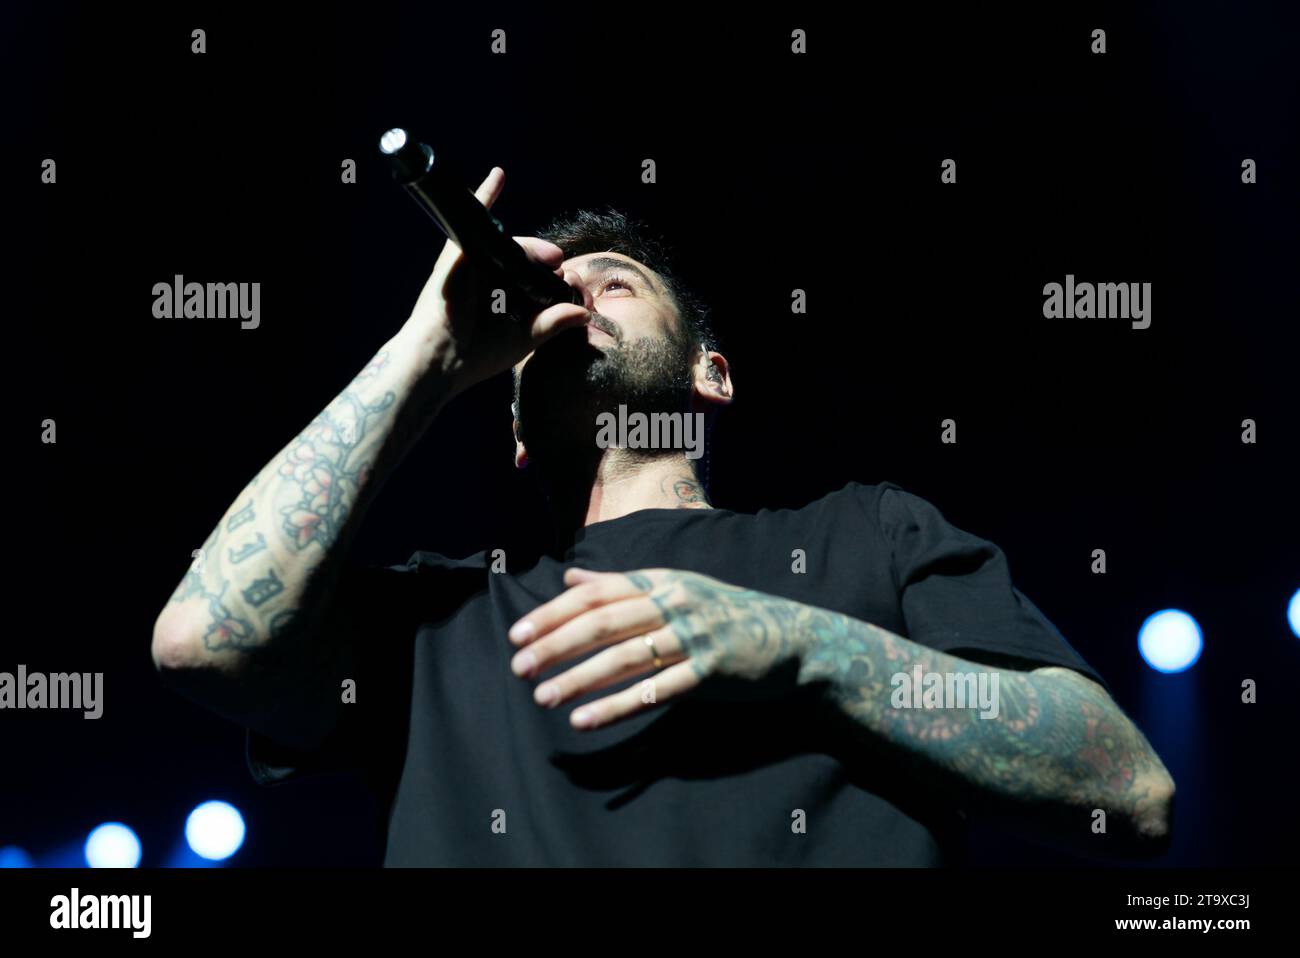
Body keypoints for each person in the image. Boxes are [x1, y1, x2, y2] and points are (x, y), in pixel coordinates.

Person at [151, 168, 1175, 866]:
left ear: (711, 374)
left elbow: (1127, 786)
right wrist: (426, 354)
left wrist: (794, 643)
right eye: (552, 292)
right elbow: (205, 641)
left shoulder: (868, 532)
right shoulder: (439, 624)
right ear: (512, 427)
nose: (570, 300)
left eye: (614, 283)